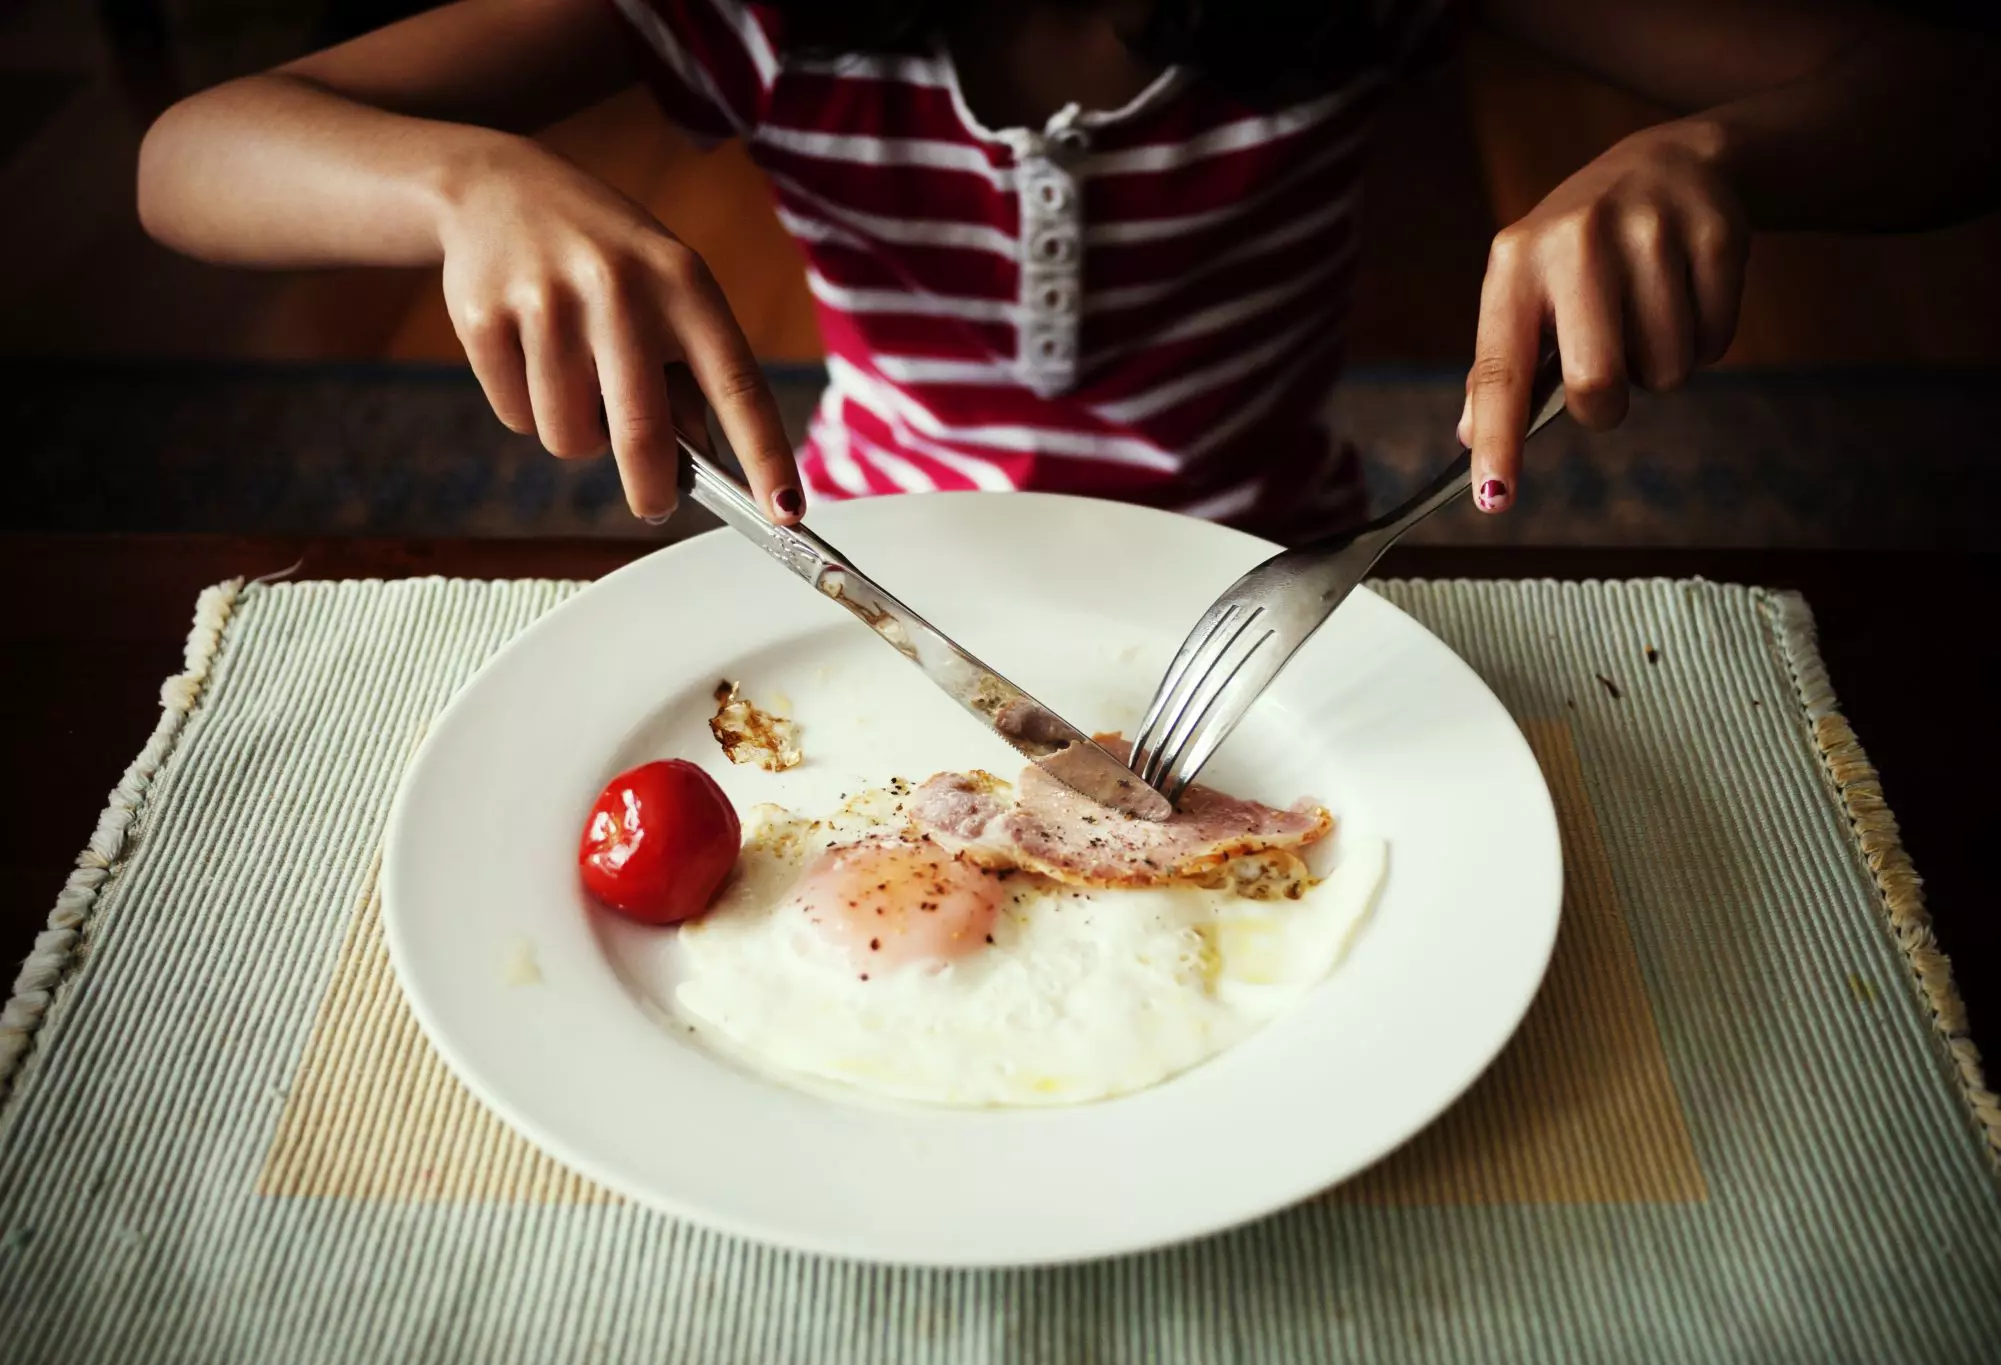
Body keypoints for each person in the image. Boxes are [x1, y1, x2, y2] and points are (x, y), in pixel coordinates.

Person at [137, 1, 1999, 539]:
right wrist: (462, 183)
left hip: (1274, 575)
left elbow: (1941, 89)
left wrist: (1718, 153)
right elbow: (185, 153)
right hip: (877, 566)